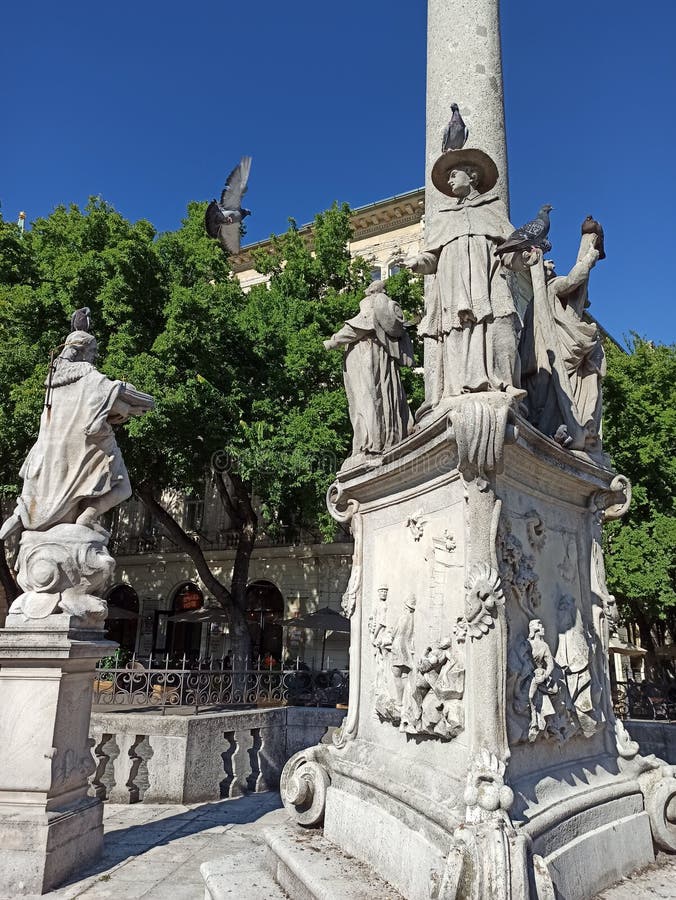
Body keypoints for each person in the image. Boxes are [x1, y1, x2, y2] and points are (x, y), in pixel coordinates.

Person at [0, 329, 153, 538]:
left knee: (44, 485)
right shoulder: (88, 374)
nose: (95, 355)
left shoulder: (53, 382)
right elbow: (105, 397)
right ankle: (88, 516)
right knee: (123, 485)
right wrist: (130, 407)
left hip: (49, 448)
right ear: (82, 351)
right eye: (93, 350)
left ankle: (21, 514)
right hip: (84, 445)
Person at [400, 148, 520, 412]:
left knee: (497, 323)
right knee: (455, 329)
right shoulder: (443, 217)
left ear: (473, 176)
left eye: (455, 175)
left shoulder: (493, 208)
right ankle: (455, 387)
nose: (451, 180)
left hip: (486, 280)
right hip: (452, 285)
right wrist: (415, 262)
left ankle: (496, 381)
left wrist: (525, 259)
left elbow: (509, 254)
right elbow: (431, 259)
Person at [324, 281, 413, 458]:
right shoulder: (385, 306)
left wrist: (333, 340)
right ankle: (383, 438)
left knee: (368, 399)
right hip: (376, 357)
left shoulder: (374, 302)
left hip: (368, 357)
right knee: (378, 397)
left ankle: (373, 442)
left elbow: (358, 326)